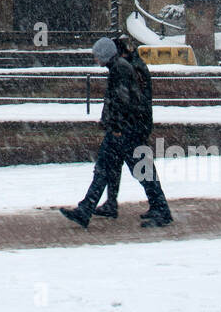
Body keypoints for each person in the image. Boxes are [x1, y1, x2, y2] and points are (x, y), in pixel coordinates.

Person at [60, 36, 173, 229]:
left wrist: (118, 127)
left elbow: (124, 101)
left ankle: (161, 210)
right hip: (125, 129)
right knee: (109, 169)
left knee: (134, 170)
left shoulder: (121, 69)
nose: (95, 60)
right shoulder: (119, 67)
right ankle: (87, 209)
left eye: (97, 56)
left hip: (126, 131)